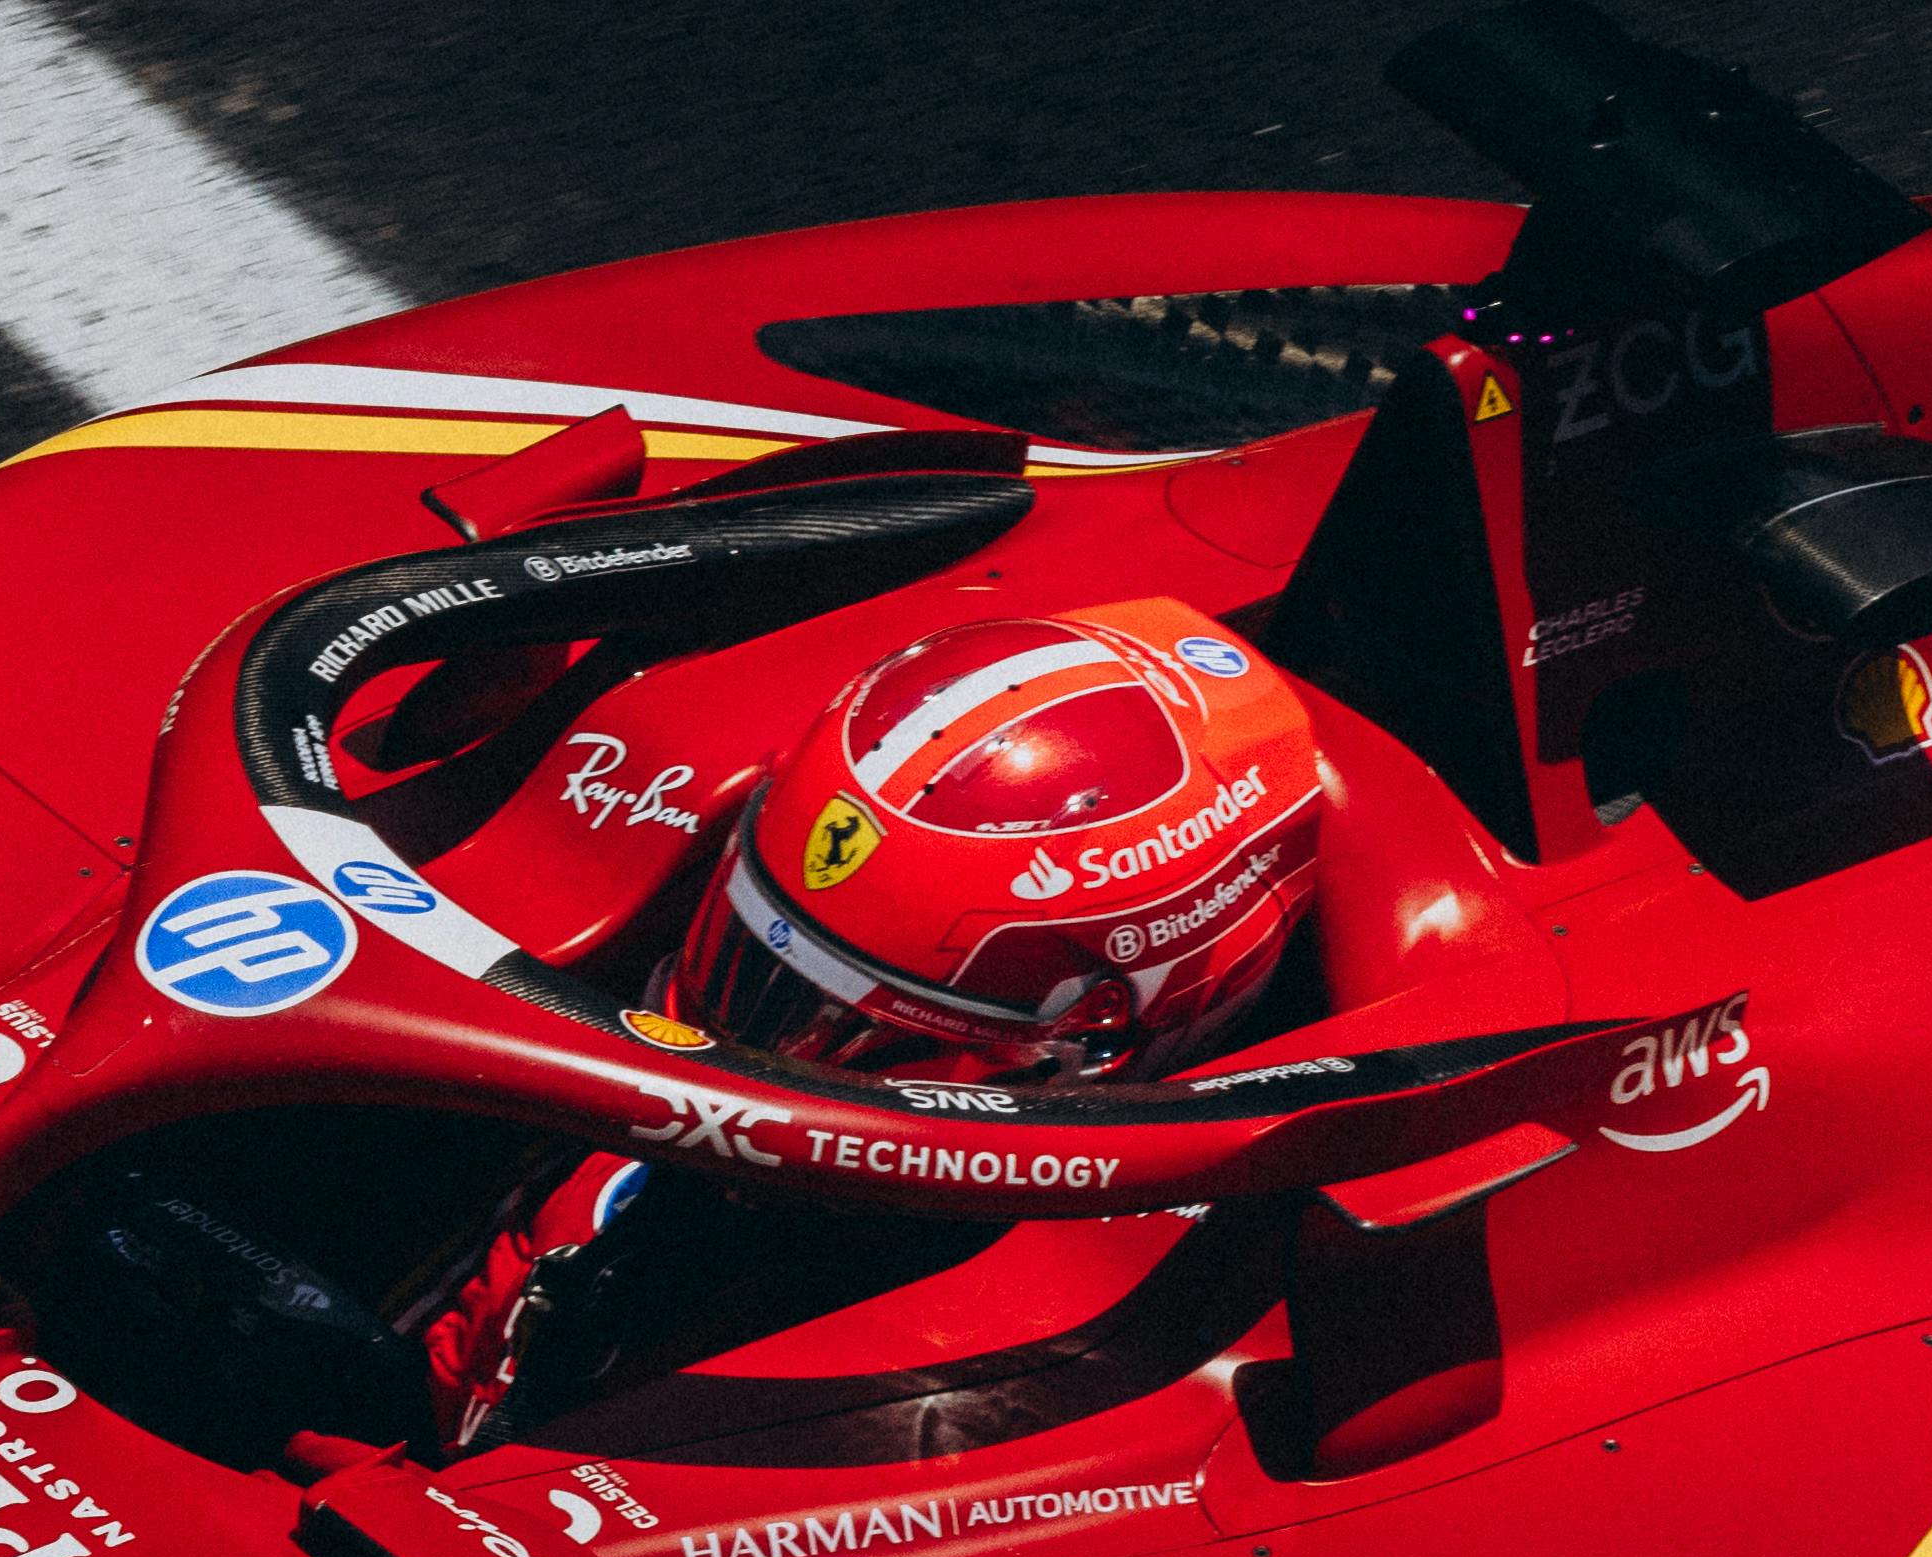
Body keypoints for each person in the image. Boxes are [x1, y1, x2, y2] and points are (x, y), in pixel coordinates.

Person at [427, 596, 1332, 1450]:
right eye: (747, 963)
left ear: (1093, 1046)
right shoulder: (613, 1221)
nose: (738, 1052)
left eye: (854, 1032)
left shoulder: (1149, 1326)